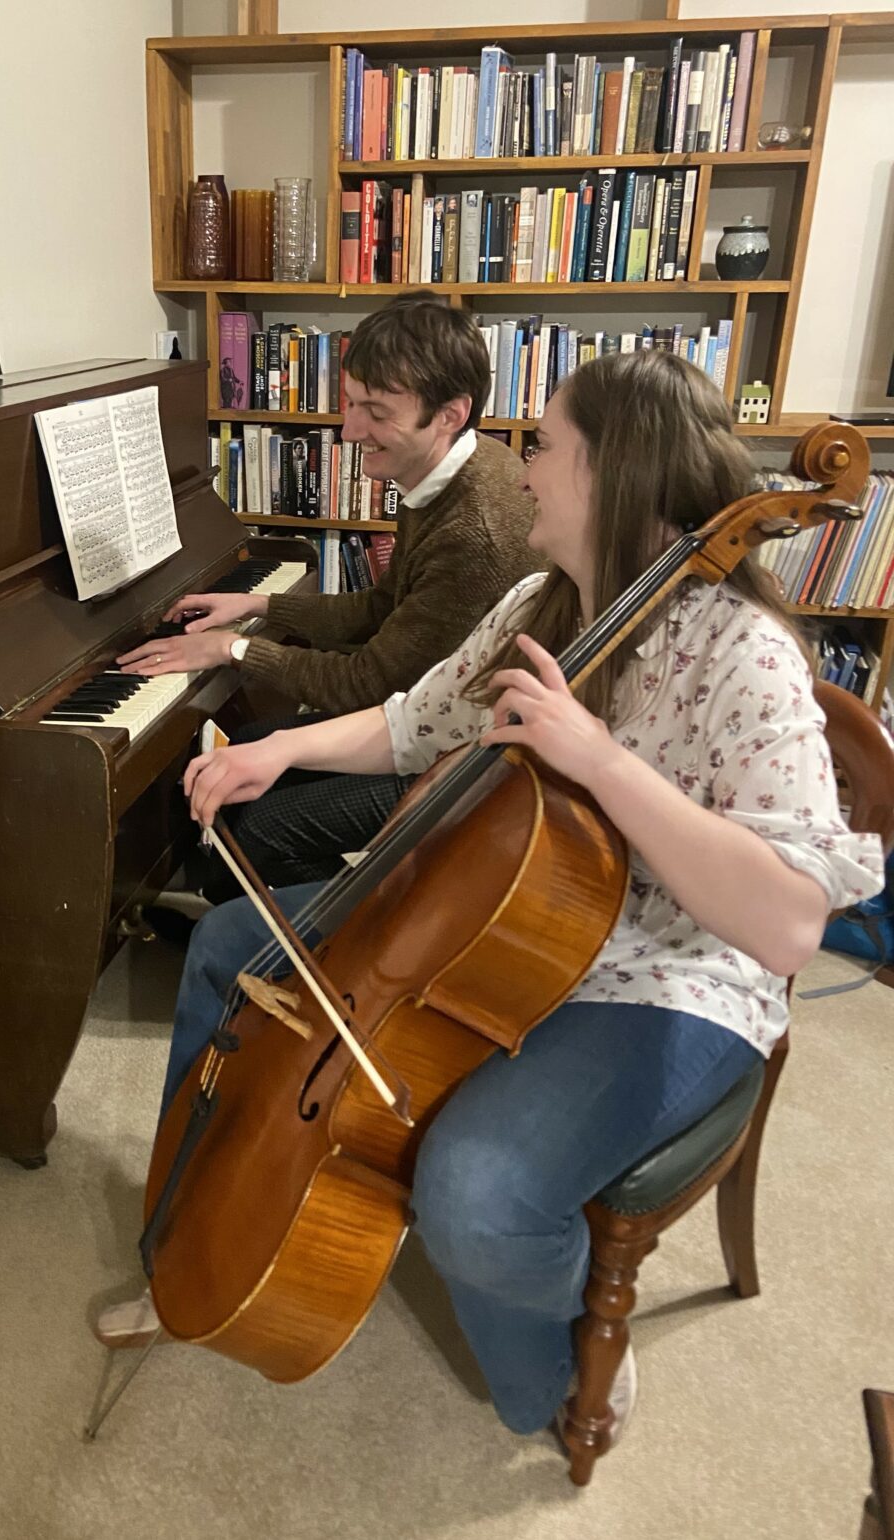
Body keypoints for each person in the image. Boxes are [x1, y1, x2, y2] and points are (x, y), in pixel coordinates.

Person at [95, 349, 885, 1445]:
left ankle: (563, 1385)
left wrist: (600, 759)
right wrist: (276, 760)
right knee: (234, 942)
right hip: (498, 919)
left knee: (472, 1192)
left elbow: (790, 918)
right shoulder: (540, 600)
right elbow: (415, 721)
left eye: (547, 445)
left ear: (620, 473)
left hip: (667, 973)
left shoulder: (741, 654)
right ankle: (188, 1223)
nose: (520, 469)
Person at [117, 292, 537, 903]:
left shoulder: (472, 529)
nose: (349, 429)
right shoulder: (447, 467)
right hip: (432, 716)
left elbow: (368, 684)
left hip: (466, 761)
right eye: (349, 403)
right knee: (253, 746)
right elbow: (382, 606)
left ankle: (343, 955)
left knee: (261, 826)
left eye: (375, 410)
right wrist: (258, 608)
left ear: (449, 414)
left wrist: (232, 651)